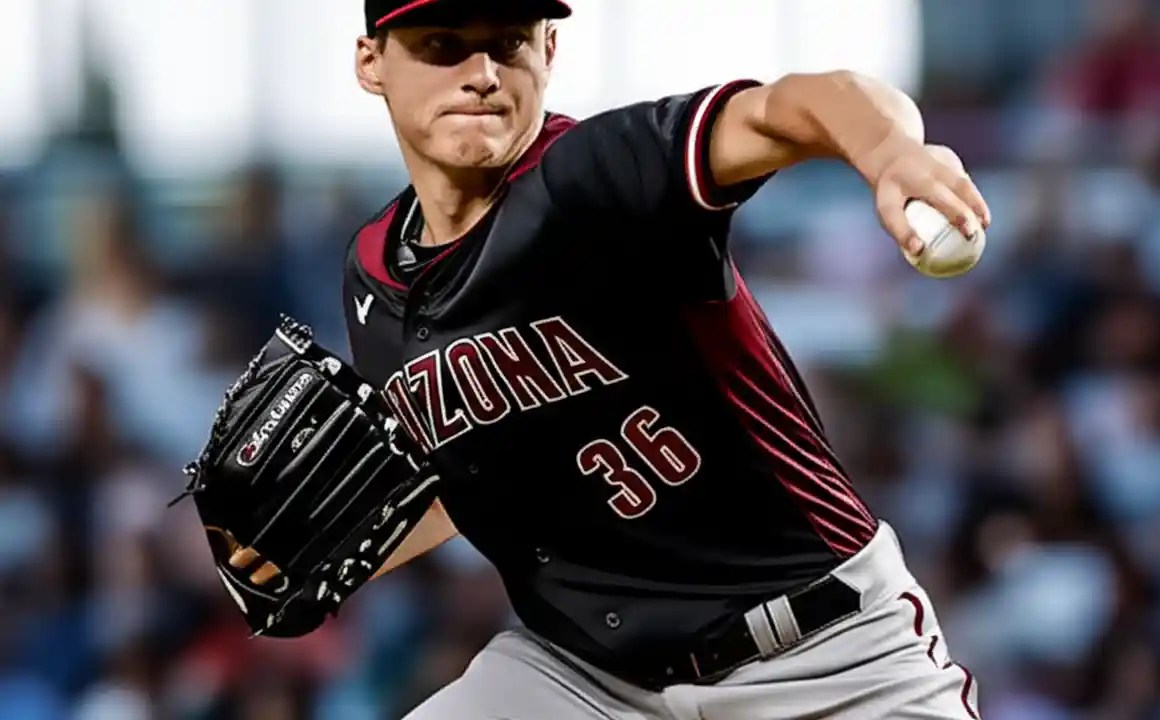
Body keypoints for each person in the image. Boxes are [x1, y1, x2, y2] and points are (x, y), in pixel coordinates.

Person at [273, 0, 990, 717]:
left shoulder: (599, 176)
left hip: (823, 654)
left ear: (549, 51)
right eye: (443, 44)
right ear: (372, 63)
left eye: (508, 43)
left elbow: (794, 104)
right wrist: (308, 550)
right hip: (586, 679)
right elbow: (466, 477)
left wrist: (891, 150)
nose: (483, 74)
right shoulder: (373, 273)